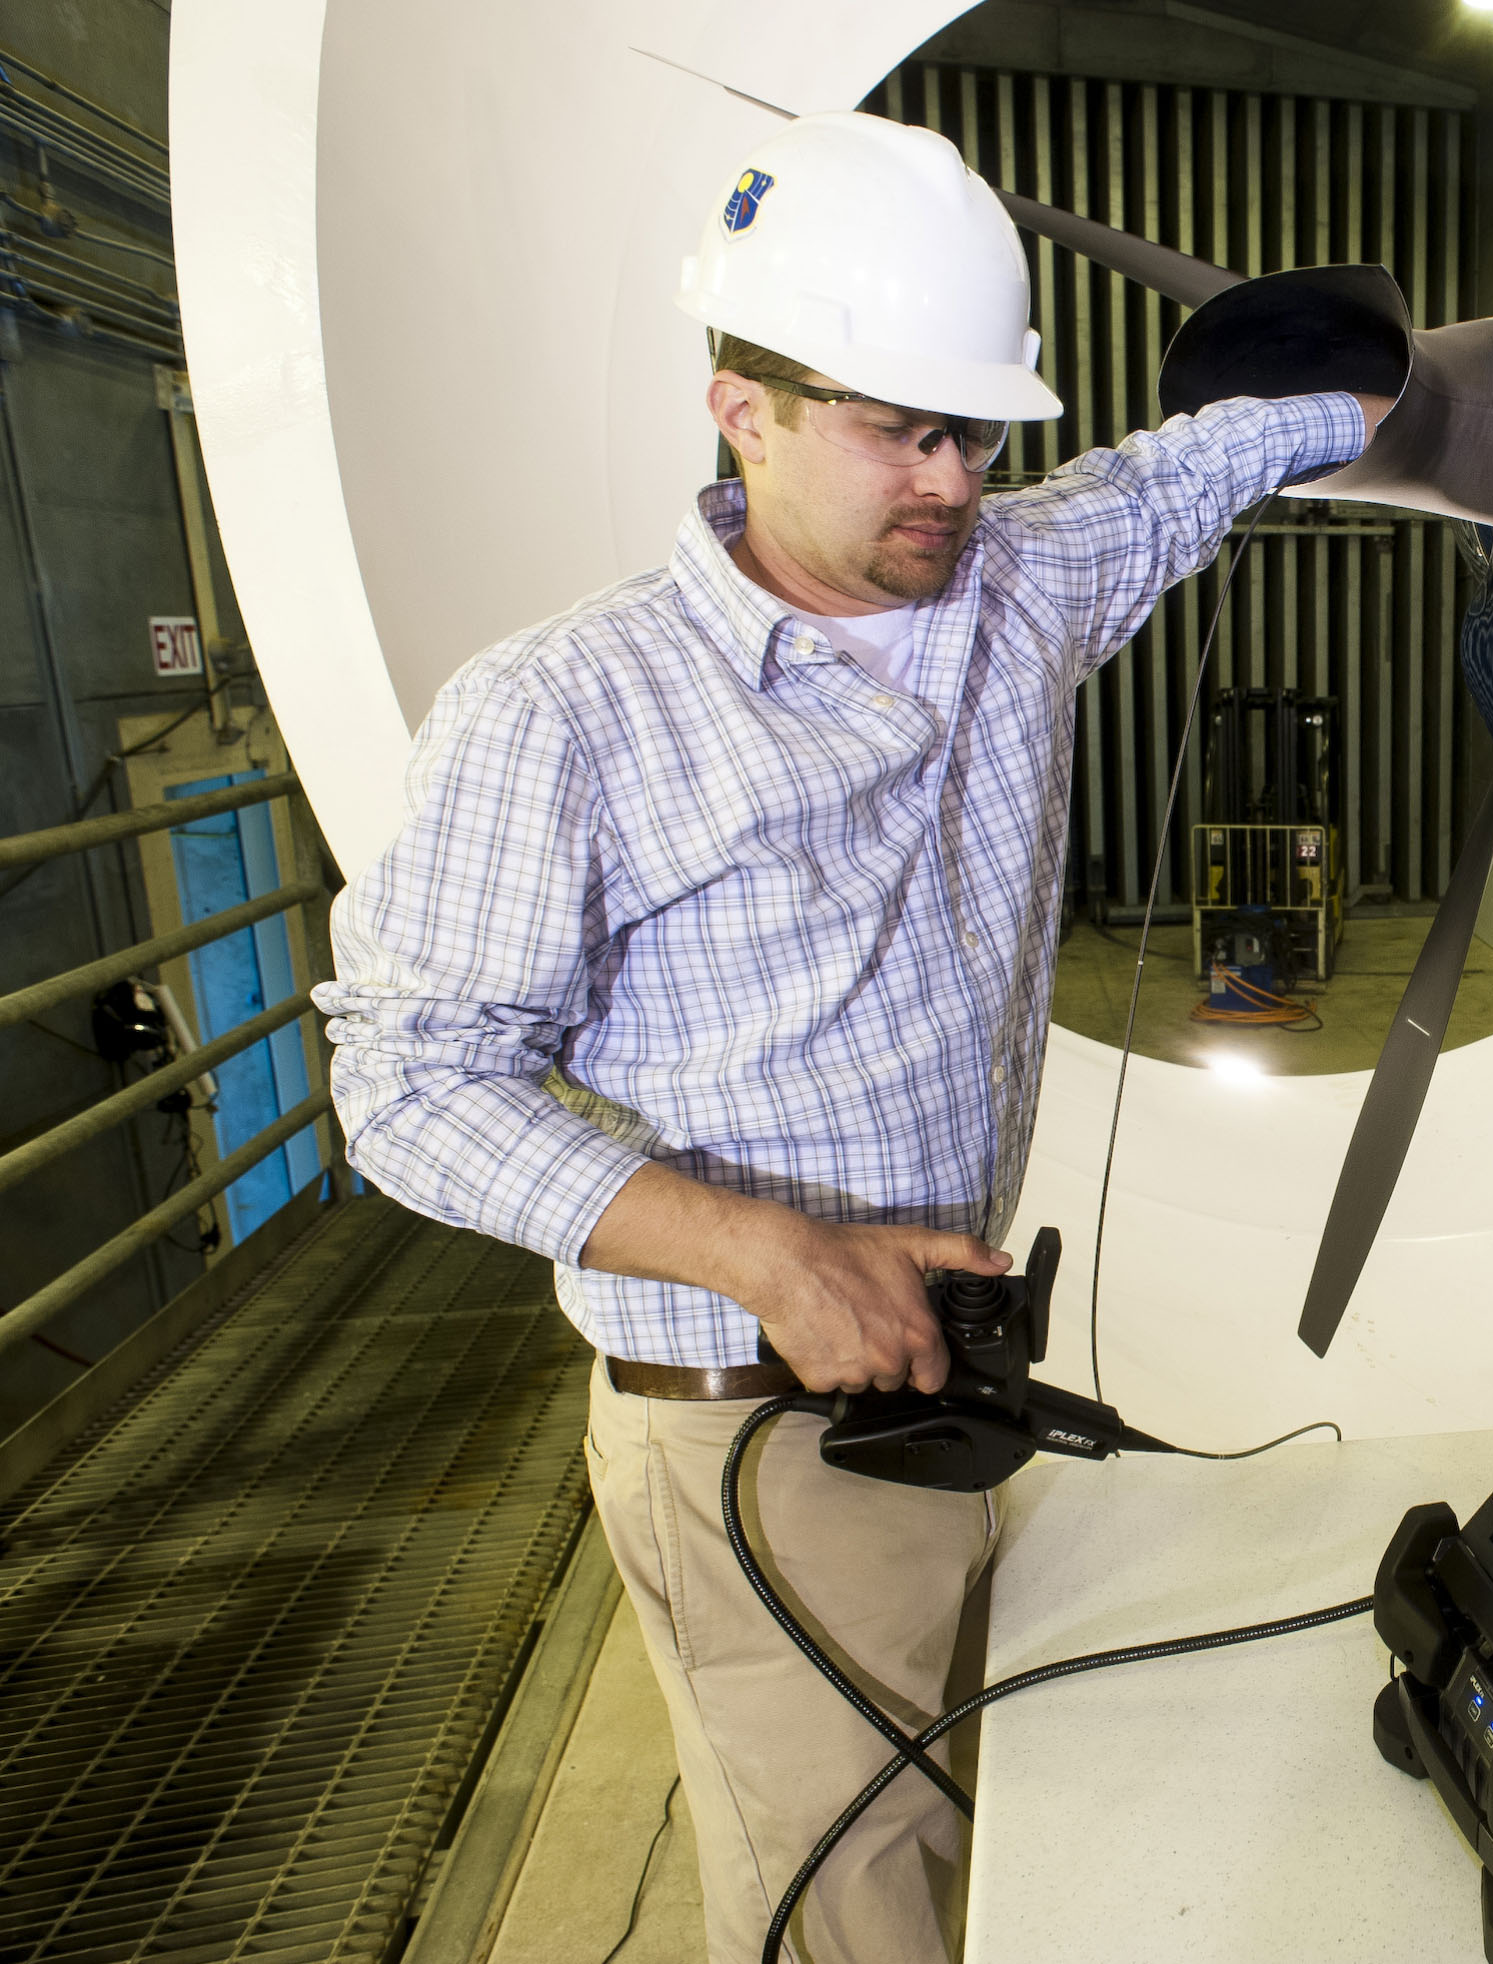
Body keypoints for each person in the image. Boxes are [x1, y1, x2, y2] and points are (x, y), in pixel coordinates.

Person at [314, 112, 1387, 1962]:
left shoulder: (1011, 590)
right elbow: (407, 1080)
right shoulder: (565, 714)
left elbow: (1183, 471)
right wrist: (765, 1254)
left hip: (945, 1399)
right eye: (901, 428)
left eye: (976, 432)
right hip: (751, 1449)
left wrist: (1415, 390)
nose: (954, 480)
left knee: (977, 1848)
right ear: (743, 406)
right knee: (850, 1911)